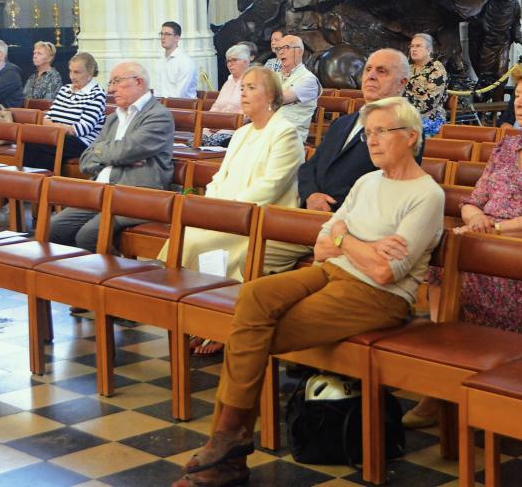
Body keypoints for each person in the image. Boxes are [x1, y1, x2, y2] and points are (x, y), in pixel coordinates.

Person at [172, 97, 444, 487]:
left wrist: (344, 238)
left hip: (378, 298)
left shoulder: (426, 195)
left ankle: (226, 452)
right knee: (253, 297)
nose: (373, 141)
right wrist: (354, 242)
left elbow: (386, 272)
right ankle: (229, 444)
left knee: (249, 337)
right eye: (369, 133)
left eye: (382, 132)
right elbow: (321, 243)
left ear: (411, 137)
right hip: (330, 272)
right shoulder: (367, 182)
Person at [403, 58, 522, 430]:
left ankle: (483, 375)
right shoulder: (506, 148)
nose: (519, 103)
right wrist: (475, 220)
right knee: (443, 261)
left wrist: (497, 230)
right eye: (518, 95)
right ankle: (449, 370)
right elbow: (475, 199)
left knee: (472, 268)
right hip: (488, 239)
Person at [263, 48, 421, 273]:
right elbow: (310, 167)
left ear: (401, 82)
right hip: (310, 219)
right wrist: (312, 195)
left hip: (354, 231)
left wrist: (334, 212)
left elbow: (391, 191)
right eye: (368, 69)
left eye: (382, 71)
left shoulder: (403, 131)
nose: (371, 76)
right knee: (250, 252)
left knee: (296, 277)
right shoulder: (343, 123)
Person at [163, 65, 302, 279]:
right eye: (242, 88)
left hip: (254, 220)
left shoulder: (285, 133)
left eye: (251, 87)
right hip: (224, 214)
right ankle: (167, 300)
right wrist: (211, 208)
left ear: (271, 95)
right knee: (179, 237)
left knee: (193, 244)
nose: (243, 93)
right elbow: (220, 178)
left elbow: (271, 186)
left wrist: (229, 213)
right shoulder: (240, 133)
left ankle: (199, 302)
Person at [48, 61, 174, 252]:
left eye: (117, 82)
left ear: (138, 82)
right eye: (110, 83)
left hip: (137, 195)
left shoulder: (158, 115)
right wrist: (111, 153)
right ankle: (79, 278)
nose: (111, 89)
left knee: (88, 236)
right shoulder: (113, 118)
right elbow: (85, 160)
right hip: (100, 192)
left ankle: (124, 279)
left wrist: (103, 151)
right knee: (53, 228)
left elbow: (127, 150)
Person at [22, 52, 107, 171]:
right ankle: (36, 182)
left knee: (41, 142)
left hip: (82, 142)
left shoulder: (97, 93)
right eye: (70, 71)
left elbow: (82, 129)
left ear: (90, 73)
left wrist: (55, 129)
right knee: (35, 140)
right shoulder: (65, 89)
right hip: (59, 136)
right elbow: (46, 119)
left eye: (77, 72)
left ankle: (35, 183)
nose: (72, 76)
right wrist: (58, 129)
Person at [201, 44, 250, 147]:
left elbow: (247, 113)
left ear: (245, 61)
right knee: (195, 142)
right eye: (228, 61)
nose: (230, 64)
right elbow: (216, 106)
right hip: (215, 127)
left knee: (211, 143)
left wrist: (223, 124)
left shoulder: (251, 82)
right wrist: (210, 122)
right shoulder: (228, 82)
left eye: (234, 60)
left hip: (234, 128)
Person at [275, 34, 321, 143]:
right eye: (278, 49)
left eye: (286, 47)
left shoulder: (308, 80)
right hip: (268, 131)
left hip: (290, 137)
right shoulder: (274, 76)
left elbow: (280, 98)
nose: (281, 52)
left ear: (299, 52)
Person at [404, 33, 448, 136]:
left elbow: (429, 102)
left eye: (418, 46)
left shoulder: (436, 69)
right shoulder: (408, 68)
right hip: (405, 114)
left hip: (429, 117)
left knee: (395, 129)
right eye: (412, 46)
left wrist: (403, 102)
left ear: (428, 50)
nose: (413, 49)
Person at [153, 21, 198, 98]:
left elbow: (180, 94)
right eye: (161, 34)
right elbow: (157, 91)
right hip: (164, 106)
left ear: (177, 38)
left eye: (167, 34)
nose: (163, 37)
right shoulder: (160, 62)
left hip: (184, 106)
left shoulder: (185, 62)